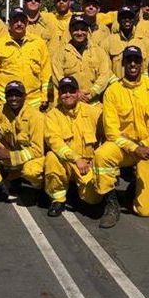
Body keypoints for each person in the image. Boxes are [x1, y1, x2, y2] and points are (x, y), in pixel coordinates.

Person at [94, 46, 149, 228]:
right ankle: (111, 203)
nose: (132, 64)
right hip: (126, 148)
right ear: (122, 64)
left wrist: (146, 145)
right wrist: (135, 148)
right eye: (128, 60)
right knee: (102, 155)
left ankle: (134, 190)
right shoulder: (113, 91)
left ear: (141, 63)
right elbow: (112, 132)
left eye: (136, 60)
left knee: (145, 211)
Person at [43, 76, 102, 216]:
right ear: (59, 95)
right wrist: (75, 159)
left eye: (71, 91)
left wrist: (98, 160)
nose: (67, 95)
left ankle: (77, 190)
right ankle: (58, 199)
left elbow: (106, 135)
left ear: (78, 93)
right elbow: (55, 142)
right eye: (64, 92)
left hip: (87, 164)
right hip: (67, 163)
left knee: (93, 199)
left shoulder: (93, 112)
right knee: (51, 157)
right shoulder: (52, 115)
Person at [0, 80, 46, 205]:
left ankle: (39, 188)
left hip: (32, 158)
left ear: (24, 97)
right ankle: (1, 184)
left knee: (31, 171)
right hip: (11, 152)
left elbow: (38, 150)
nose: (13, 98)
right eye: (10, 95)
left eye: (18, 95)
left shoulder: (36, 116)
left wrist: (10, 155)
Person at [0, 7, 51, 109]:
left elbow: (46, 73)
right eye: (15, 20)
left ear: (27, 22)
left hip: (34, 103)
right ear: (9, 23)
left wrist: (45, 96)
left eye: (22, 20)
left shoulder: (39, 43)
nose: (19, 24)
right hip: (7, 103)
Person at [51, 15, 113, 106]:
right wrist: (75, 94)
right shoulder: (60, 54)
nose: (80, 33)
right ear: (70, 31)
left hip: (93, 104)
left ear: (88, 31)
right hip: (69, 105)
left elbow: (104, 75)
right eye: (76, 29)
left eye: (83, 29)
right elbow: (57, 77)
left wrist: (92, 93)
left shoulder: (99, 51)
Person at [101, 6, 149, 80]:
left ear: (135, 20)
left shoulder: (145, 43)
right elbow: (104, 68)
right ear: (118, 20)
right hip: (116, 87)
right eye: (123, 17)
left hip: (139, 88)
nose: (127, 20)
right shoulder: (108, 42)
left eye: (130, 17)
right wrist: (114, 83)